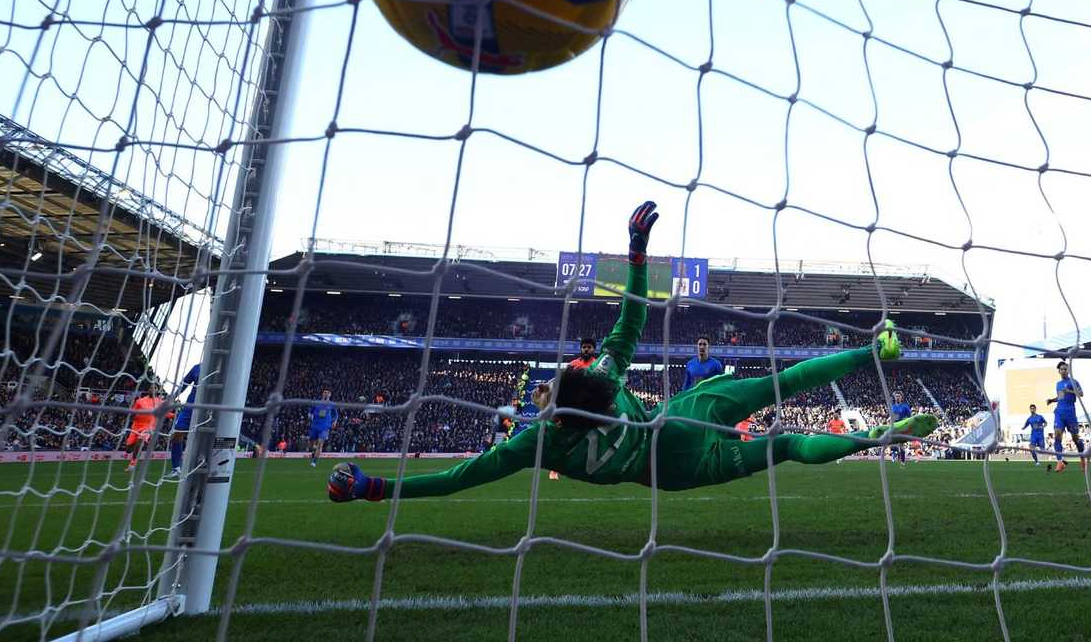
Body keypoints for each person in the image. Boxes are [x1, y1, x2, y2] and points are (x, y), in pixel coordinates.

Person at [328, 202, 934, 502]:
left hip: (672, 471)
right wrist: (636, 252)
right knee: (784, 384)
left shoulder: (538, 443)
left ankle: (880, 437)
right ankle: (872, 356)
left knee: (787, 447)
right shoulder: (609, 375)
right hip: (681, 418)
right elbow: (634, 312)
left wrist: (374, 487)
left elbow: (458, 478)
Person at [1045, 360, 1085, 472]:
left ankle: (1082, 459)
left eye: (1065, 369)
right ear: (1059, 371)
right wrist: (1052, 400)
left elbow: (1081, 393)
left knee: (1075, 438)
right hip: (1059, 412)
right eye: (1062, 369)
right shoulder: (1058, 384)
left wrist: (1070, 391)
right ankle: (1060, 462)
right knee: (1057, 435)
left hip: (1070, 413)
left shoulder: (1073, 381)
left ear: (1068, 370)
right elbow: (1061, 397)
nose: (1064, 371)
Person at [167, 363, 205, 475]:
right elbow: (184, 384)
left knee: (204, 437)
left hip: (209, 408)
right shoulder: (197, 368)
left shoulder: (221, 368)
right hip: (190, 406)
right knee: (176, 434)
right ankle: (176, 468)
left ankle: (202, 463)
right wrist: (171, 398)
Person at [125, 388, 162, 471]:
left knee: (139, 443)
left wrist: (174, 415)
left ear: (157, 391)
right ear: (148, 390)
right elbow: (133, 413)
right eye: (151, 388)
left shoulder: (159, 402)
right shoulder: (140, 401)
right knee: (128, 449)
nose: (152, 390)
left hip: (148, 427)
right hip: (136, 427)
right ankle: (142, 444)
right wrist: (132, 416)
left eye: (155, 388)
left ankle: (132, 465)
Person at [307, 388, 338, 467]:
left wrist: (334, 422)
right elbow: (310, 412)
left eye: (327, 392)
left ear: (330, 395)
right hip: (315, 425)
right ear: (322, 394)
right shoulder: (316, 402)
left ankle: (314, 462)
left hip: (325, 427)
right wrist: (310, 417)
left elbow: (336, 415)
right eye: (324, 392)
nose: (326, 394)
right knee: (310, 444)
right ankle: (314, 450)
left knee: (320, 444)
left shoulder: (332, 404)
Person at [889, 393, 912, 465]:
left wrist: (906, 421)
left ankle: (902, 461)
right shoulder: (892, 406)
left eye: (899, 396)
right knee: (892, 442)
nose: (897, 397)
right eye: (896, 396)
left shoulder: (905, 406)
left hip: (902, 427)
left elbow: (909, 416)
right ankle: (894, 455)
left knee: (902, 444)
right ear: (894, 398)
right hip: (894, 426)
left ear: (901, 397)